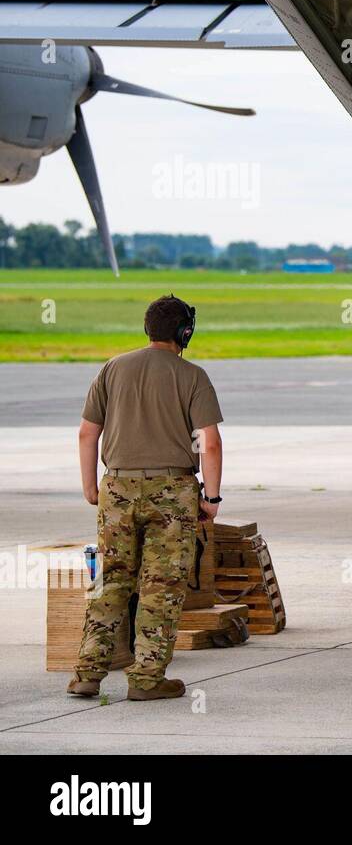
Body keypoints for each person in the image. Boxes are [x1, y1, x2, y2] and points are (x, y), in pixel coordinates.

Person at [68, 294, 222, 701]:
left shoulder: (112, 369)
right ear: (184, 331)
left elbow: (87, 432)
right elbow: (209, 442)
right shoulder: (192, 376)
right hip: (172, 492)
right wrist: (212, 496)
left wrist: (91, 486)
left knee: (111, 580)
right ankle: (147, 678)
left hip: (116, 487)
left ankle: (87, 672)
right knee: (162, 585)